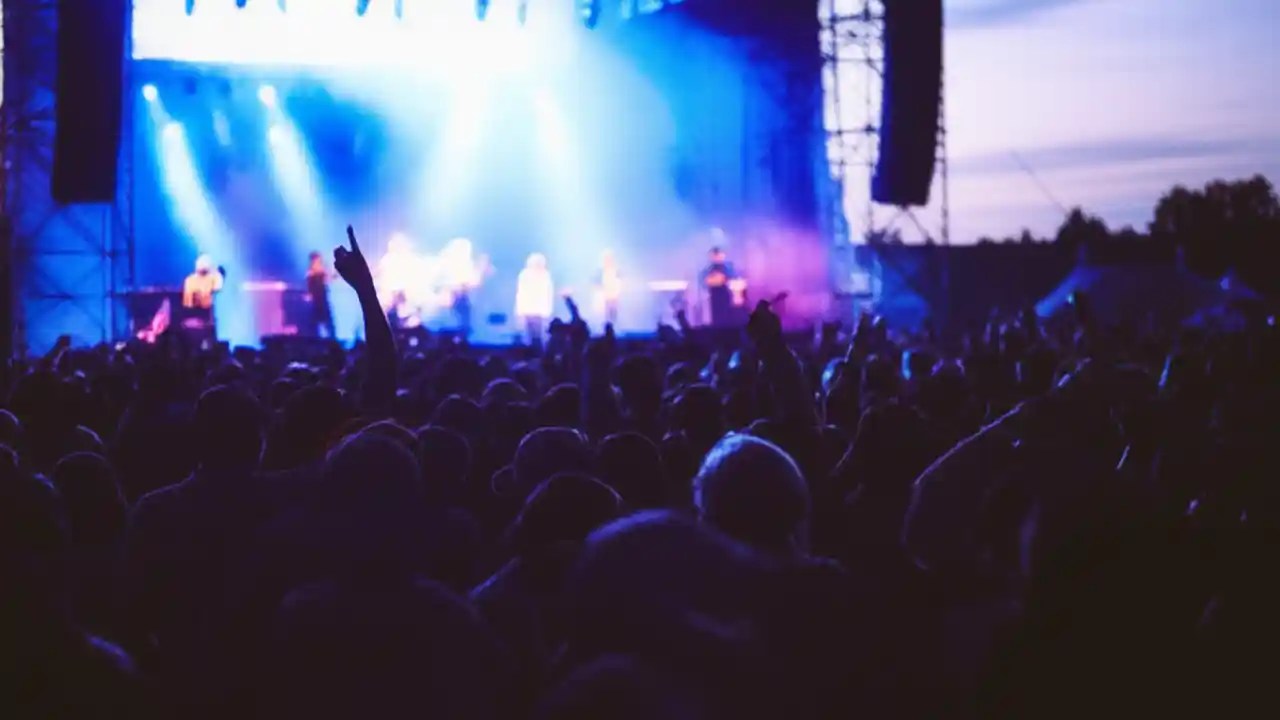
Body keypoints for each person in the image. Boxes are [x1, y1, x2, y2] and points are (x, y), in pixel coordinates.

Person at [181, 254, 224, 341]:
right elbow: (188, 302)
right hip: (196, 315)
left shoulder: (211, 278)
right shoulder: (190, 280)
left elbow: (217, 287)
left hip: (205, 316)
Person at [516, 253, 554, 346]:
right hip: (528, 311)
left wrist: (547, 311)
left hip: (540, 312)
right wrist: (520, 312)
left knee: (539, 334)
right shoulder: (524, 275)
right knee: (529, 334)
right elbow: (521, 294)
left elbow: (548, 294)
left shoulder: (545, 275)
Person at [699, 246, 737, 328]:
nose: (716, 258)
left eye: (719, 255)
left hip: (724, 294)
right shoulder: (708, 269)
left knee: (725, 315)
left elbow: (732, 277)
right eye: (713, 256)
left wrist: (722, 278)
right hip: (714, 294)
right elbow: (704, 280)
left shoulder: (727, 267)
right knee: (716, 316)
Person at [304, 251, 336, 339]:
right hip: (316, 301)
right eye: (316, 260)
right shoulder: (310, 273)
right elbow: (309, 286)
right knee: (316, 322)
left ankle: (331, 340)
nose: (318, 261)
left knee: (328, 322)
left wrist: (334, 275)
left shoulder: (323, 270)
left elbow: (329, 279)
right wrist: (309, 294)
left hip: (323, 300)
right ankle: (316, 339)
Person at [598, 250, 622, 327]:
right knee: (607, 312)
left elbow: (619, 281)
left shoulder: (615, 270)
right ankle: (608, 324)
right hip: (607, 295)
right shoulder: (602, 270)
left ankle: (614, 325)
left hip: (614, 295)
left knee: (613, 311)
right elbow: (600, 282)